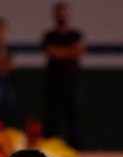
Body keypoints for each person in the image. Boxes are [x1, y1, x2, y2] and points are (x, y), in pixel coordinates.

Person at [41, 3, 84, 146]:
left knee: (74, 115)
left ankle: (75, 148)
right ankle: (52, 148)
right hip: (53, 82)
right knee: (53, 116)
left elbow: (77, 51)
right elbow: (51, 52)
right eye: (58, 12)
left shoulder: (75, 35)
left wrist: (61, 53)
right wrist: (68, 52)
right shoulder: (49, 36)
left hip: (72, 81)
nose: (61, 15)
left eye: (63, 12)